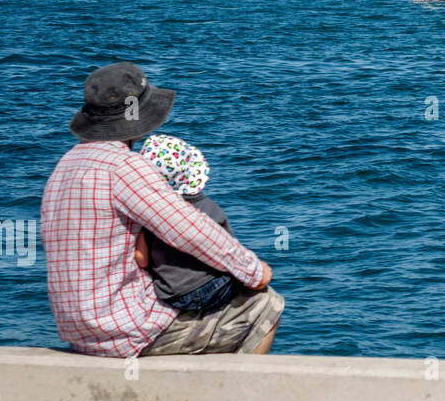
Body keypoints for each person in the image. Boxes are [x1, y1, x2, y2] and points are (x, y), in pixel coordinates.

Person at [41, 63, 281, 357]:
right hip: (126, 329)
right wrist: (255, 272)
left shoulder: (65, 164)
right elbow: (190, 230)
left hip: (78, 331)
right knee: (266, 305)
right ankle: (237, 400)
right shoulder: (125, 166)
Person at [134, 134, 239, 315]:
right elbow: (230, 249)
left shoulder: (147, 215)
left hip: (173, 294)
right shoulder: (208, 208)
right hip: (213, 288)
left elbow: (142, 261)